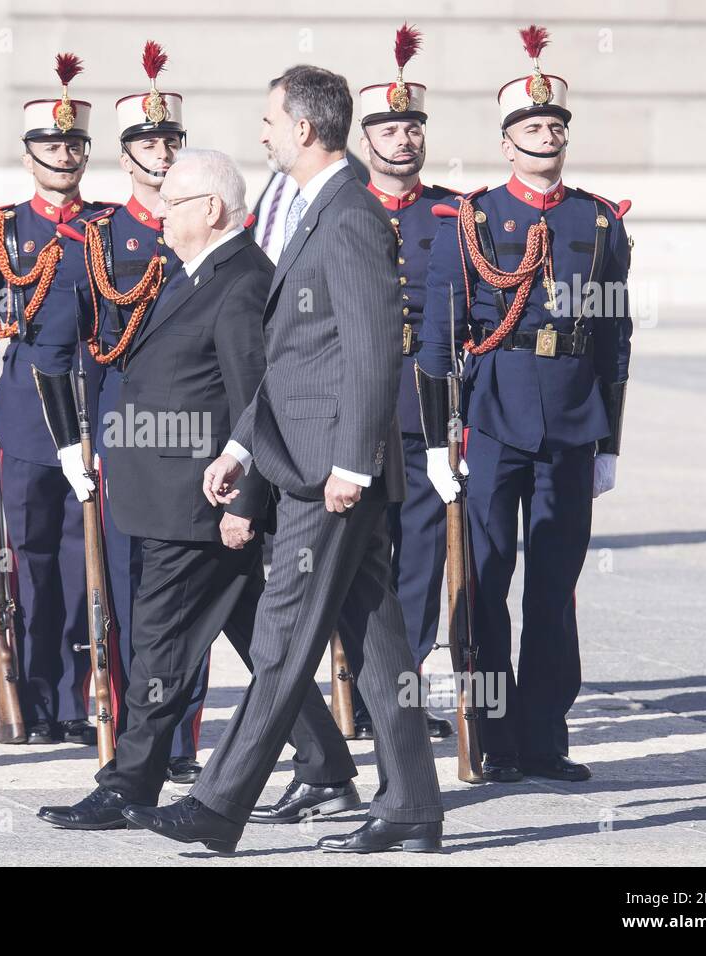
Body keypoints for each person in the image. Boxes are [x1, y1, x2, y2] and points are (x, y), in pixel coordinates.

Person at [124, 65, 444, 855]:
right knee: (373, 642)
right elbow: (298, 354)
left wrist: (354, 464)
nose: (262, 133)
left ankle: (217, 803)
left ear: (303, 128)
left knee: (281, 637)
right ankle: (411, 807)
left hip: (328, 471)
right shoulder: (311, 209)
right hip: (301, 453)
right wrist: (242, 445)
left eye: (270, 120)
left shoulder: (350, 217)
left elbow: (374, 351)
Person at [37, 149, 361, 831]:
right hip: (171, 497)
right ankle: (327, 770)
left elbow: (257, 401)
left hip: (200, 509)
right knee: (259, 643)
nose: (158, 210)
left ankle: (130, 784)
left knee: (159, 649)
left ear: (211, 210)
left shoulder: (241, 282)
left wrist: (245, 506)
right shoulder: (199, 273)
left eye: (172, 200)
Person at [416, 25, 631, 783]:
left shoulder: (598, 221)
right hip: (496, 412)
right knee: (483, 578)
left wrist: (610, 441)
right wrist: (442, 442)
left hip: (572, 416)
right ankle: (489, 736)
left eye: (556, 125)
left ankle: (544, 737)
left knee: (554, 585)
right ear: (507, 143)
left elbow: (613, 336)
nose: (548, 134)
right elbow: (441, 334)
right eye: (533, 126)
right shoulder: (472, 219)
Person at [48, 41, 211, 783]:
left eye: (171, 141)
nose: (160, 151)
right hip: (123, 429)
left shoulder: (212, 229)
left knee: (195, 587)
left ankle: (180, 738)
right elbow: (59, 344)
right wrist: (68, 442)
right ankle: (129, 728)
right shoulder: (98, 237)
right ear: (126, 156)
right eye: (147, 142)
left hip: (198, 434)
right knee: (126, 586)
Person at [0, 54, 107, 745]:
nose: (62, 156)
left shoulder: (112, 227)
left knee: (82, 555)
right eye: (50, 146)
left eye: (72, 145)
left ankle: (78, 697)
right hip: (26, 413)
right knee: (29, 560)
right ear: (30, 154)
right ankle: (30, 694)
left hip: (94, 407)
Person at [344, 24, 454, 741]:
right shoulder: (339, 208)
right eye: (389, 128)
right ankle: (353, 692)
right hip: (357, 401)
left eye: (412, 127)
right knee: (354, 551)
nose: (403, 140)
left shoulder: (453, 214)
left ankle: (404, 697)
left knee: (421, 551)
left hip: (422, 401)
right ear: (366, 138)